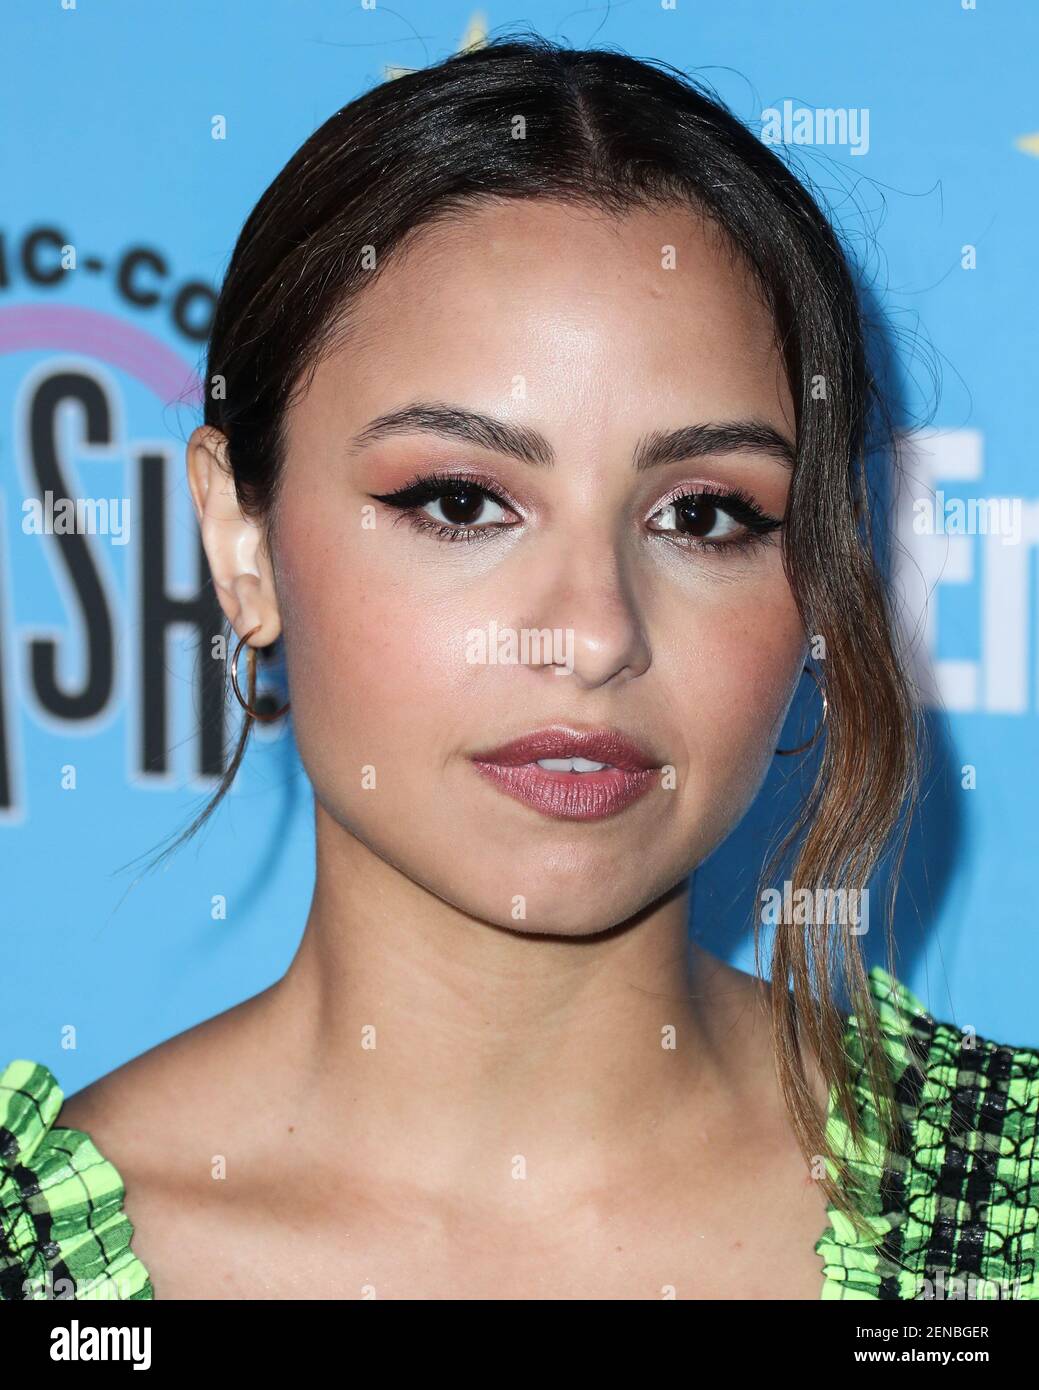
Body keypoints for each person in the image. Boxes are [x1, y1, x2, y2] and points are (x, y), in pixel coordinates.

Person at [3, 33, 1037, 1302]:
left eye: (704, 514)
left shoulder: (1011, 1209)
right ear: (241, 540)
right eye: (458, 500)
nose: (595, 633)